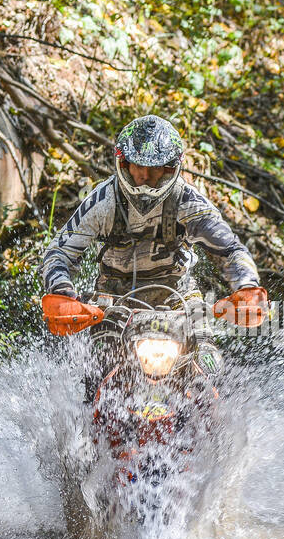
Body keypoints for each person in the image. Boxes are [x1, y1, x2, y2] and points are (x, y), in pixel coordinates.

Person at [41, 114, 268, 389]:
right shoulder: (102, 202)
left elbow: (231, 249)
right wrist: (62, 290)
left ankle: (221, 429)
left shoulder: (189, 202)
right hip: (113, 300)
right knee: (96, 369)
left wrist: (246, 286)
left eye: (156, 169)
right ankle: (84, 430)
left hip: (180, 299)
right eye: (137, 167)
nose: (144, 178)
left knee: (211, 367)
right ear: (123, 163)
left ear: (171, 169)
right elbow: (59, 253)